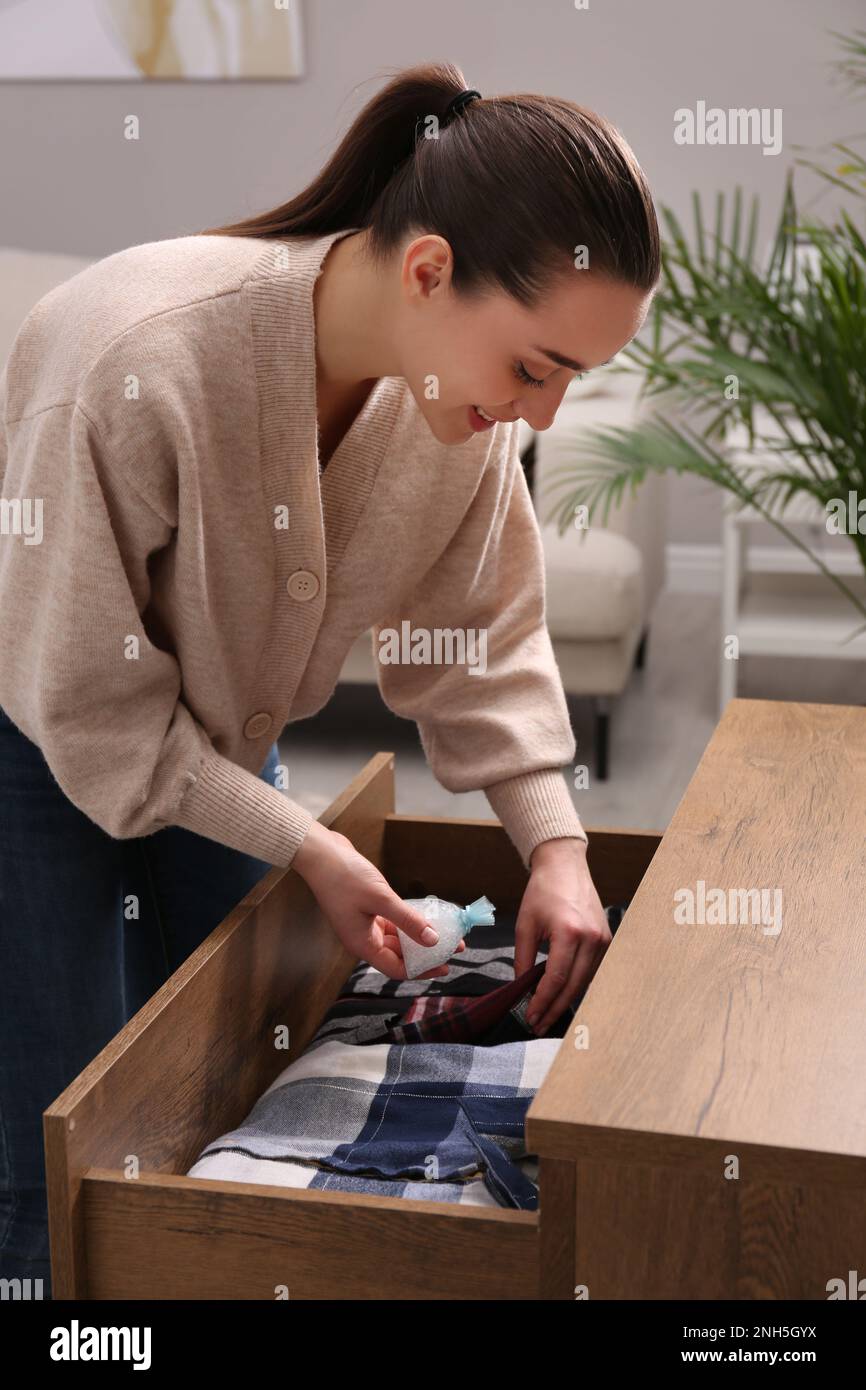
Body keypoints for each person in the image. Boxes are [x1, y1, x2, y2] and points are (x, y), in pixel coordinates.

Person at [0, 61, 660, 1294]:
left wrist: (556, 848)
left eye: (574, 376)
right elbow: (87, 706)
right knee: (51, 1125)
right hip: (31, 734)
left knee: (221, 1071)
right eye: (534, 367)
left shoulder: (451, 406)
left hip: (215, 746)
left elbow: (475, 638)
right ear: (426, 272)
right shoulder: (133, 355)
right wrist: (300, 839)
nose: (546, 416)